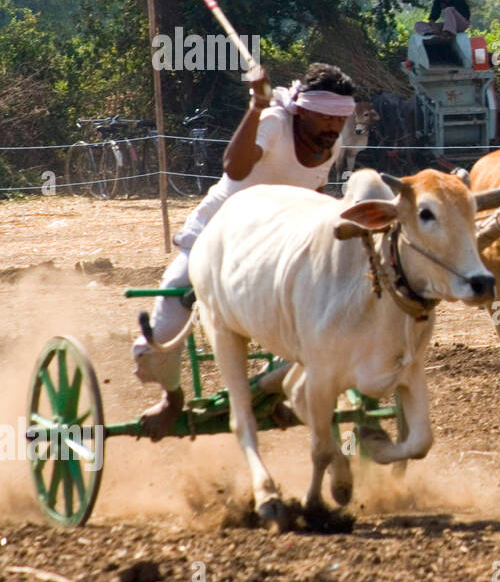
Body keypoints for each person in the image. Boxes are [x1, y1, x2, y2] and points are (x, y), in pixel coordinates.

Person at [131, 63, 357, 440]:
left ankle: (289, 386)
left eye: (340, 118)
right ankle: (172, 397)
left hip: (277, 246)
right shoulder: (271, 122)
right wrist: (255, 107)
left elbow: (311, 194)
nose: (333, 128)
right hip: (216, 238)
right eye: (325, 117)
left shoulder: (330, 144)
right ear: (302, 108)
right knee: (168, 316)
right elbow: (234, 170)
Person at [424, 0, 472, 65]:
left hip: (462, 24)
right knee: (419, 25)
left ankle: (447, 34)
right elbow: (433, 17)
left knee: (449, 10)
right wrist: (434, 26)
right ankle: (436, 32)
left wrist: (448, 26)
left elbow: (465, 15)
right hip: (449, 24)